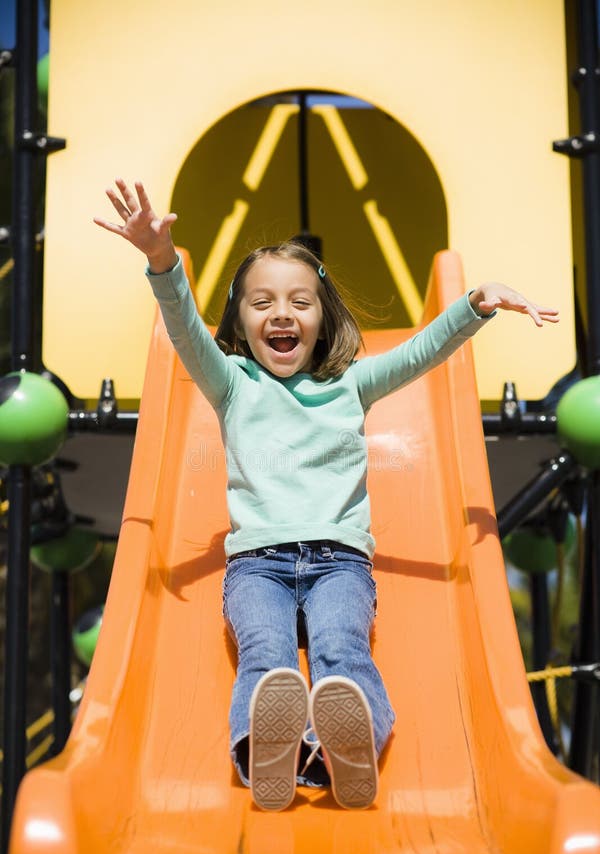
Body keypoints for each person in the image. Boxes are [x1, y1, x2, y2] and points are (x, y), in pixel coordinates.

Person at [94, 179, 559, 812]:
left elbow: (423, 352)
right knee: (269, 655)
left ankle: (348, 743)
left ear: (322, 317)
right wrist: (160, 258)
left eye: (299, 302)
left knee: (341, 647)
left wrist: (474, 305)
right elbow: (182, 328)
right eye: (262, 302)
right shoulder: (231, 384)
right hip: (256, 565)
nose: (281, 314)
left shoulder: (351, 386)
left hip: (341, 561)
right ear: (239, 320)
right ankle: (265, 748)